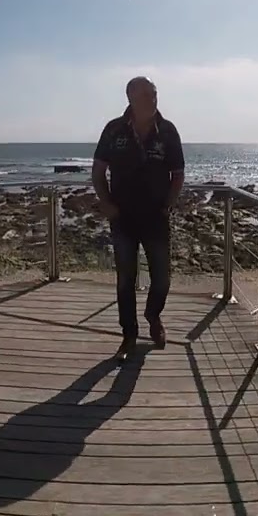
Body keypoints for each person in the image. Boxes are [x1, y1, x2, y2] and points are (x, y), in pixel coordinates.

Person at [92, 76, 185, 361]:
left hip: (156, 217)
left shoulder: (167, 131)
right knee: (125, 280)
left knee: (162, 279)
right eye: (146, 94)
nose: (152, 98)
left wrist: (168, 204)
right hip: (123, 217)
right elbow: (98, 171)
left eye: (154, 93)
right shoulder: (113, 130)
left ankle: (153, 315)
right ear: (130, 97)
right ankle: (128, 336)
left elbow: (178, 174)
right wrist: (106, 204)